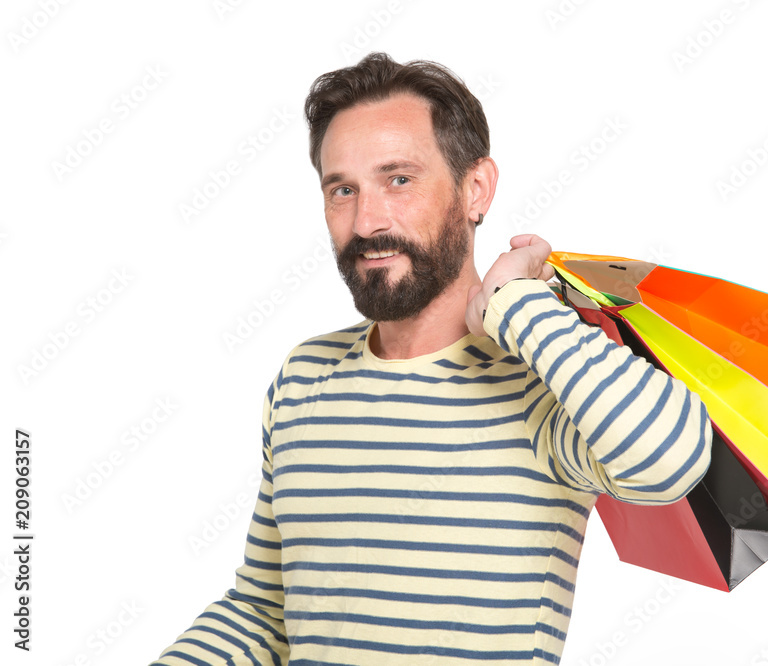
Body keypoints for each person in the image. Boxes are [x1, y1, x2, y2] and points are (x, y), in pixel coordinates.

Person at [152, 52, 711, 665]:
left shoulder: (542, 381)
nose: (367, 221)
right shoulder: (304, 377)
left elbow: (672, 457)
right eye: (343, 190)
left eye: (399, 179)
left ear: (476, 190)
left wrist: (516, 302)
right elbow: (264, 611)